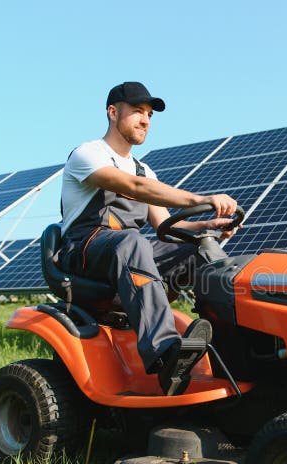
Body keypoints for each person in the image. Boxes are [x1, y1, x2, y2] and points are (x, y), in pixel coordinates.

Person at [57, 81, 237, 396]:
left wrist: (209, 227)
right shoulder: (87, 154)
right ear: (113, 113)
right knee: (132, 242)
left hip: (128, 254)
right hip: (83, 253)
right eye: (138, 111)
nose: (145, 121)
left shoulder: (144, 170)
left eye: (150, 115)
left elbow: (165, 226)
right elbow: (136, 189)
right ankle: (165, 353)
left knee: (200, 251)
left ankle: (233, 349)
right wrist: (199, 199)